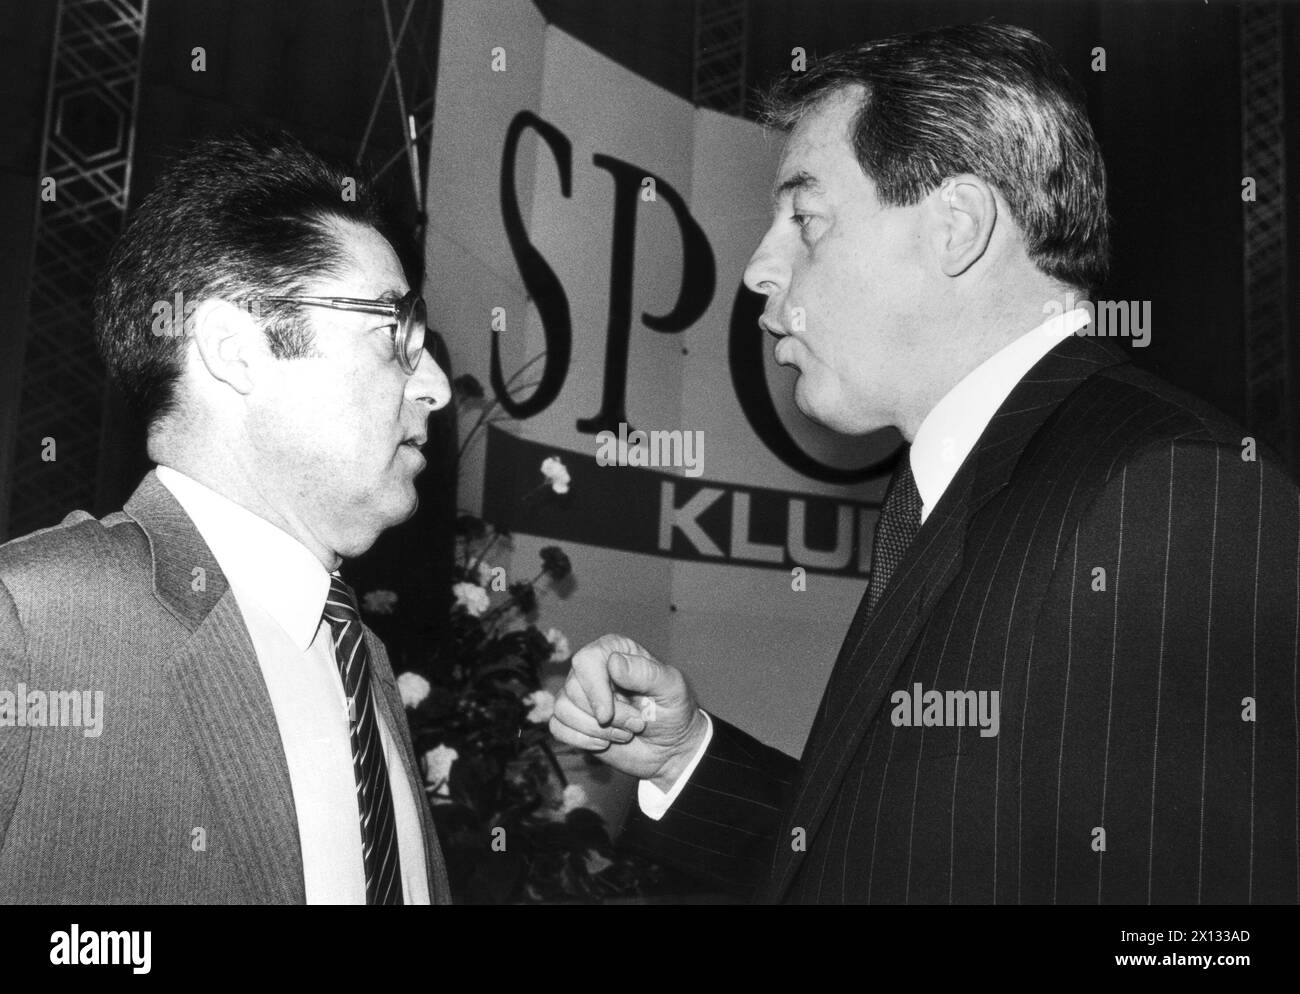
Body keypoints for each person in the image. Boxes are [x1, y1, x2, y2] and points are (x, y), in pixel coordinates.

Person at [550, 23, 1300, 903]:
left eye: (805, 218)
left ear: (958, 228)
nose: (759, 269)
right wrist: (687, 757)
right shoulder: (953, 487)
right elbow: (897, 855)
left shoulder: (1169, 492)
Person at [0, 132, 453, 904]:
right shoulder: (31, 622)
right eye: (394, 332)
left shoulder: (363, 658)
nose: (437, 385)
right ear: (235, 350)